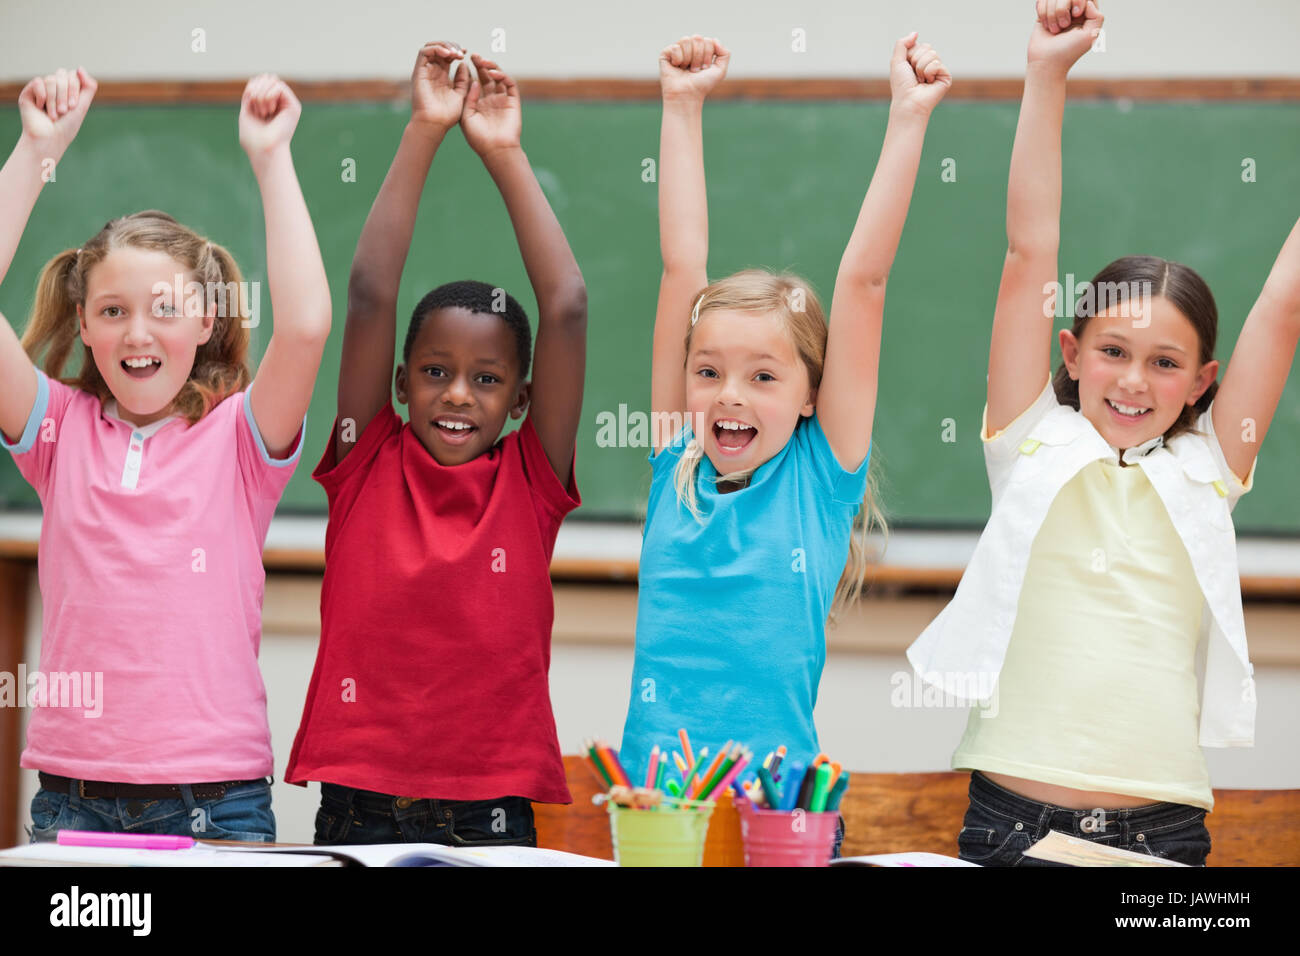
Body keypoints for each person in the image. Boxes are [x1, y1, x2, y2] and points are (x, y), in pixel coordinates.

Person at [908, 1, 1300, 866]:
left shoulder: (1211, 467)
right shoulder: (1029, 440)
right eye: (1114, 351)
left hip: (1164, 835)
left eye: (1166, 363)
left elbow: (1283, 306)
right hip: (1012, 822)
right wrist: (1046, 74)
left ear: (1204, 383)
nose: (1133, 379)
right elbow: (1027, 253)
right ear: (1071, 353)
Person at [620, 33, 950, 855]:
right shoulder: (676, 462)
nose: (729, 394)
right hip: (661, 807)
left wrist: (908, 119)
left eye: (764, 377)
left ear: (812, 395)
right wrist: (680, 108)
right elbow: (678, 266)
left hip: (783, 808)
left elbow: (864, 282)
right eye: (709, 371)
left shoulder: (820, 475)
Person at [1, 69, 331, 841]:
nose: (137, 334)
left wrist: (272, 158)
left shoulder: (242, 441)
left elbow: (308, 325)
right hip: (72, 795)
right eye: (112, 311)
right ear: (83, 325)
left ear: (207, 324)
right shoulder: (59, 433)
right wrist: (37, 149)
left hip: (214, 800)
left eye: (163, 311)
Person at [284, 43, 585, 847]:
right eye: (434, 371)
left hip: (491, 815)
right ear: (398, 384)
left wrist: (505, 153)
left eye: (487, 381)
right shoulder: (364, 462)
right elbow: (370, 292)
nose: (457, 393)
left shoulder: (531, 482)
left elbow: (566, 308)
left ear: (522, 400)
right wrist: (424, 128)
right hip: (358, 804)